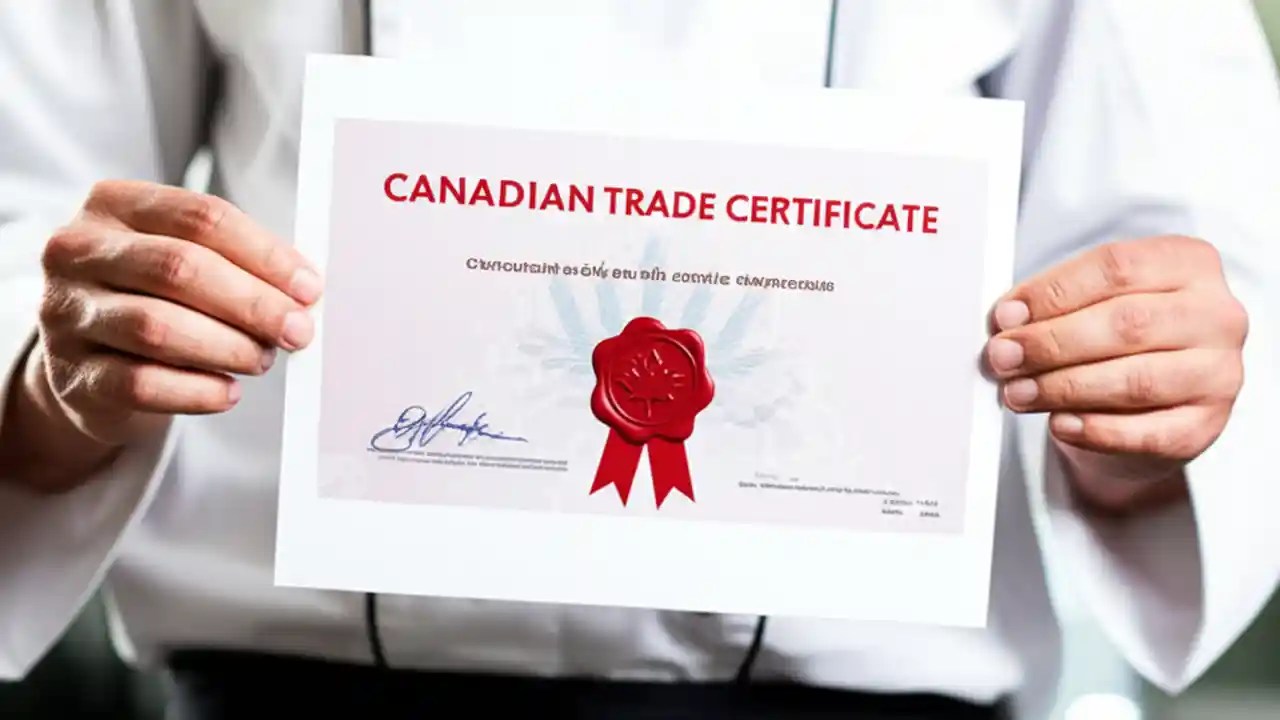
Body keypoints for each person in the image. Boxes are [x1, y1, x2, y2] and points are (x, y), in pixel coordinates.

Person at [1, 2, 1278, 718]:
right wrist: (54, 384)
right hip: (293, 702)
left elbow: (1189, 264)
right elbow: (31, 208)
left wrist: (1140, 420)